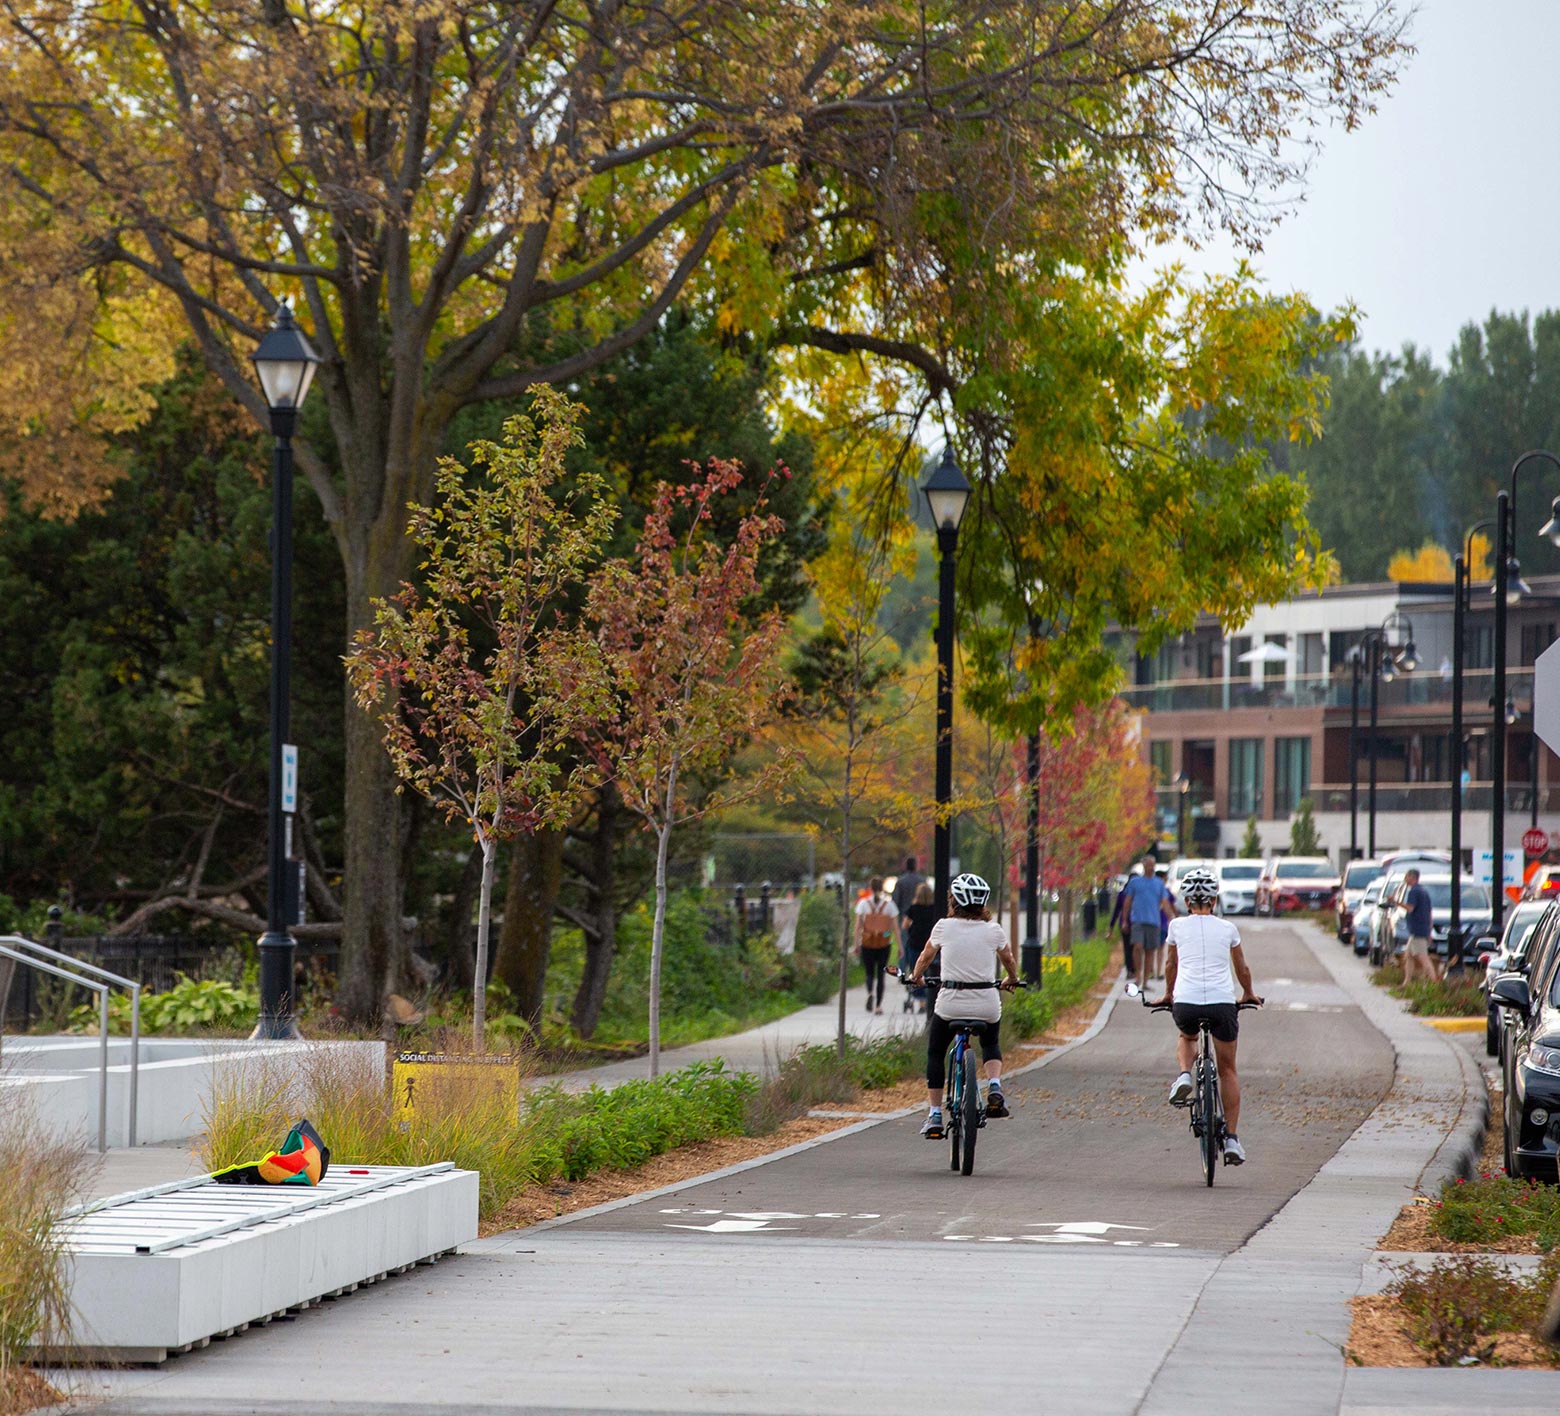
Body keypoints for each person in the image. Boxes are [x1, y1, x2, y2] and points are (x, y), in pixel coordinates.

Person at [1151, 866, 1262, 1166]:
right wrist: (1248, 993)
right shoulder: (1228, 929)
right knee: (1228, 1070)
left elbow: (1171, 965)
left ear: (1187, 902)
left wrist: (1168, 995)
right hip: (1222, 1004)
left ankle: (1185, 1074)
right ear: (1214, 901)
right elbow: (1242, 969)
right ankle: (1232, 1140)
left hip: (1186, 1002)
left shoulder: (1176, 927)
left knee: (1187, 1035)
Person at [902, 872, 1020, 1138]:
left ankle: (934, 1115)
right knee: (990, 1042)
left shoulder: (944, 927)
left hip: (951, 1005)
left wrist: (916, 977)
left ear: (955, 901)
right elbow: (1009, 959)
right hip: (986, 1005)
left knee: (935, 1052)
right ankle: (995, 1085)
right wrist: (1011, 979)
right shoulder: (994, 930)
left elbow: (924, 956)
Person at [1121, 853, 1171, 992]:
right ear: (1143, 866)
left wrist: (1171, 919)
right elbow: (1128, 901)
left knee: (1150, 951)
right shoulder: (1135, 882)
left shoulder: (1158, 883)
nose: (1150, 867)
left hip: (1153, 921)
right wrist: (1125, 920)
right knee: (1137, 947)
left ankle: (1145, 981)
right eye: (1147, 864)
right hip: (1137, 921)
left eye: (1152, 865)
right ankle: (1137, 975)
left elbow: (1165, 902)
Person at [854, 876, 898, 1013]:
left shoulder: (863, 903)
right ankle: (878, 1006)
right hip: (884, 943)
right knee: (881, 974)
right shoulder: (889, 904)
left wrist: (856, 943)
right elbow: (895, 927)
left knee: (869, 973)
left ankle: (870, 993)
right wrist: (900, 946)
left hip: (867, 942)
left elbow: (857, 926)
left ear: (870, 887)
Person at [900, 881, 940, 1013]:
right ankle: (930, 999)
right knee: (932, 971)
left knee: (916, 971)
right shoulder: (934, 909)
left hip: (915, 943)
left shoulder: (913, 908)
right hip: (930, 944)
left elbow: (904, 925)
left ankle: (921, 1001)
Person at [1398, 868, 1440, 983]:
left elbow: (1410, 908)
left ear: (1412, 877)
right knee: (1409, 956)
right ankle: (1406, 982)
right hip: (1420, 929)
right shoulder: (1424, 891)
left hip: (1417, 930)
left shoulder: (1414, 891)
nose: (1405, 879)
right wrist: (1429, 930)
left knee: (1422, 957)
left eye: (1407, 876)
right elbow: (1429, 912)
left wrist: (1396, 902)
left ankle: (1434, 982)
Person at [892, 855, 926, 970]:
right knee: (917, 945)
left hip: (903, 917)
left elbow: (895, 900)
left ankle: (902, 969)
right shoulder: (922, 881)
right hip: (920, 918)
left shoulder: (900, 882)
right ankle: (916, 969)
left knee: (903, 944)